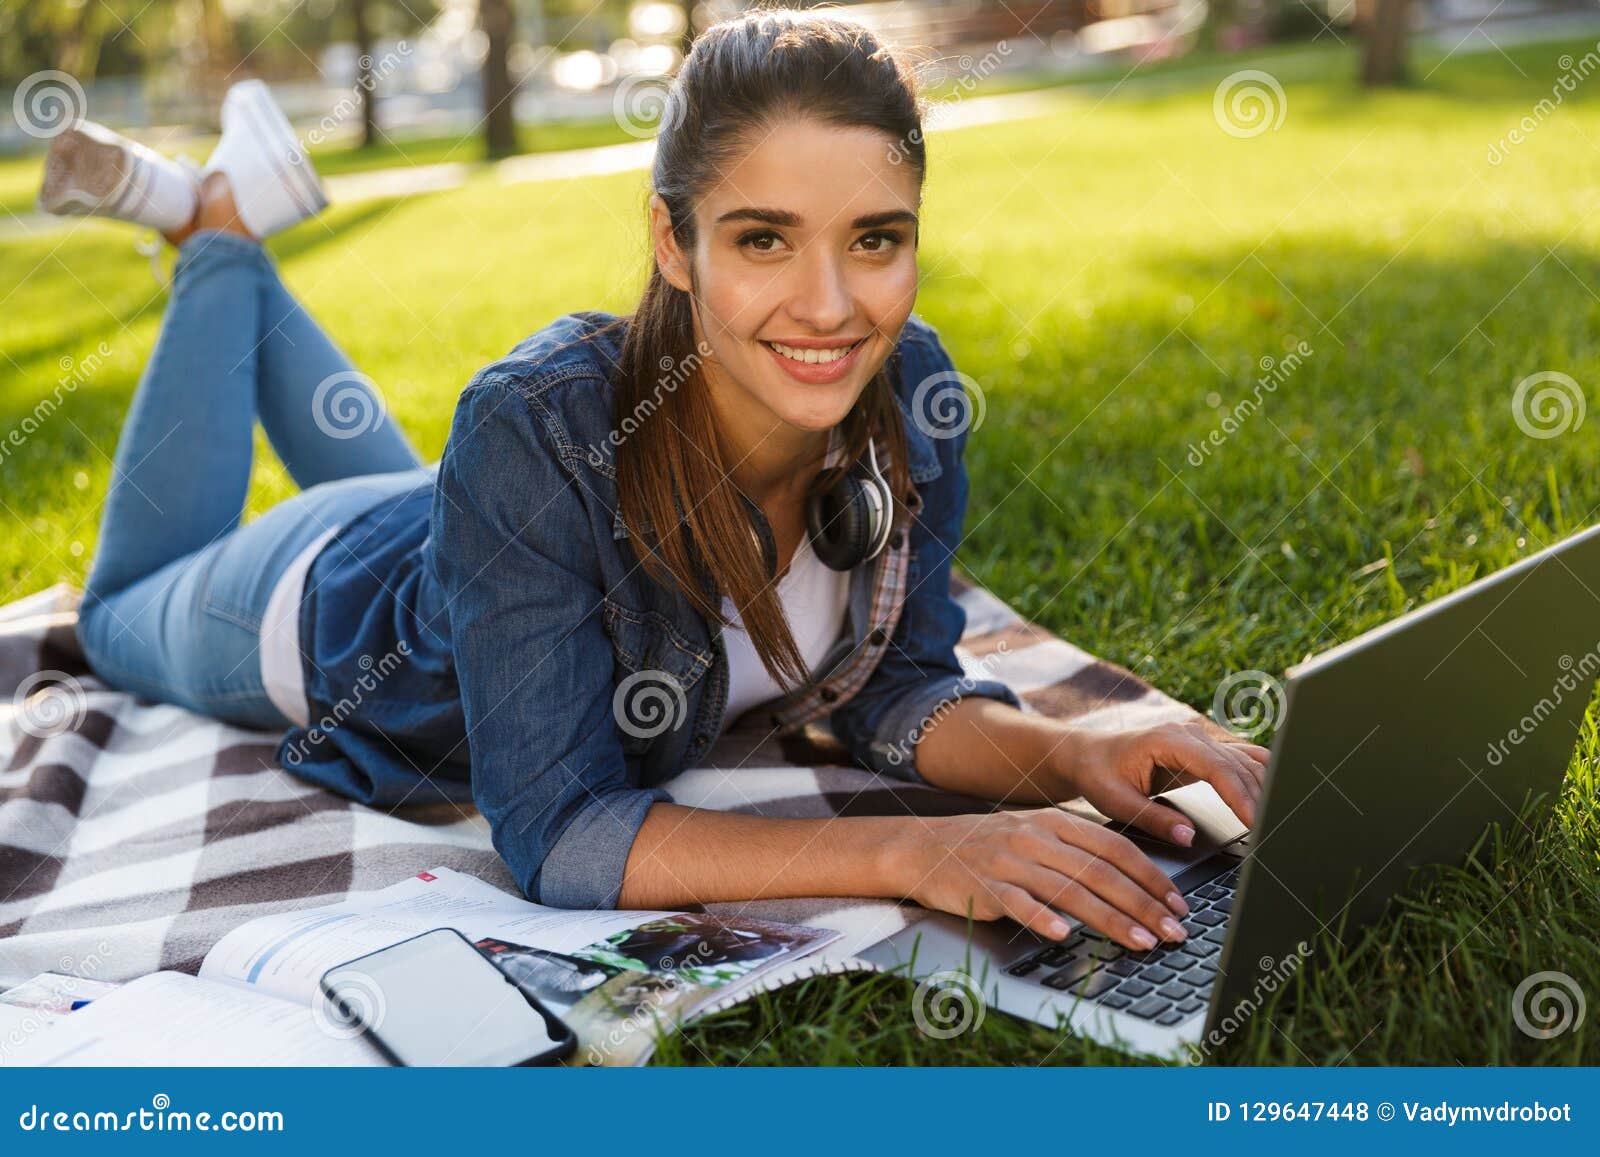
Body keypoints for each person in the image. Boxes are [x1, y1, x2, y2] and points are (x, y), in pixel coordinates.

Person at [44, 9, 1268, 953]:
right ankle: (209, 226)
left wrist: (1069, 751)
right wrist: (917, 856)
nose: (833, 309)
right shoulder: (536, 423)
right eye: (762, 238)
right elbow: (562, 834)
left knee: (467, 487)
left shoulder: (912, 401)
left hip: (474, 520)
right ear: (671, 242)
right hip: (318, 600)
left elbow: (895, 690)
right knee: (112, 612)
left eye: (876, 239)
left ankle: (226, 229)